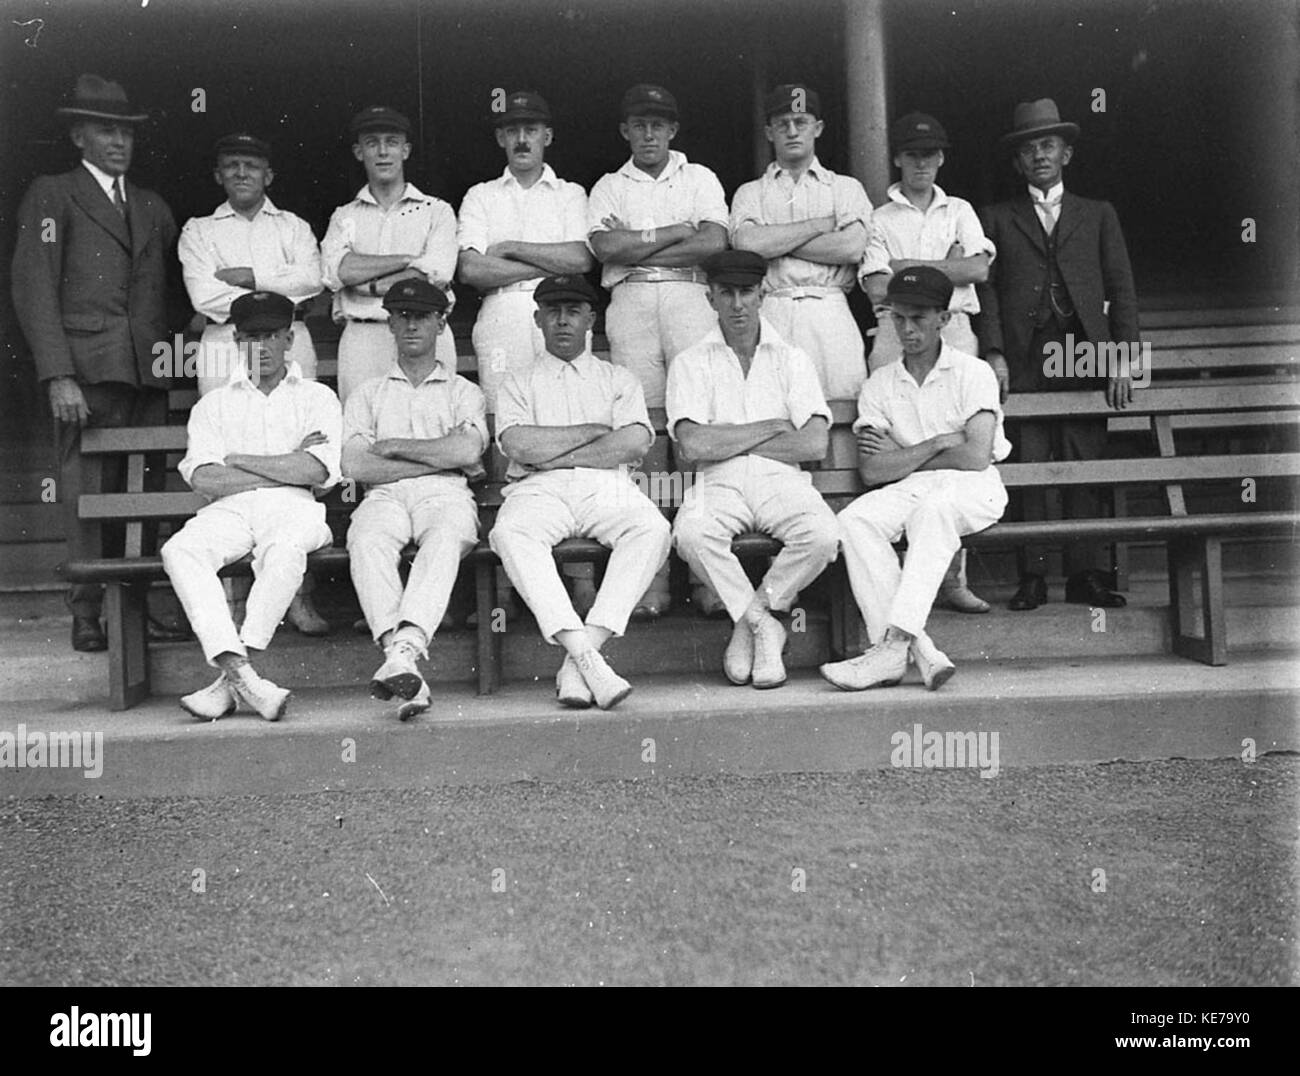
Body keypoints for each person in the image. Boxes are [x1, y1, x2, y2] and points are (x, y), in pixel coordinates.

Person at [11, 74, 181, 653]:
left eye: (126, 132)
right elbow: (34, 288)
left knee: (143, 495)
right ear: (79, 135)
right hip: (86, 375)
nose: (118, 142)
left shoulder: (154, 206)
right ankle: (87, 610)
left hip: (146, 374)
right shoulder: (53, 194)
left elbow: (174, 295)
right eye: (105, 130)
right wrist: (58, 374)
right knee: (87, 494)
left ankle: (132, 606)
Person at [977, 98, 1138, 611]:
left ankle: (1086, 575)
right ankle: (1033, 575)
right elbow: (989, 294)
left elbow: (1122, 287)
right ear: (1017, 162)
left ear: (1066, 153)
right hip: (1025, 355)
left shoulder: (1098, 214)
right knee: (1028, 464)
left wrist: (1122, 358)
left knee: (1083, 462)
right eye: (1029, 149)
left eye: (1048, 145)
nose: (1039, 155)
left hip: (1081, 352)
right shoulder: (997, 217)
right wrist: (996, 354)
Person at [820, 267, 1010, 692]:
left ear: (944, 318)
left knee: (933, 510)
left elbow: (976, 455)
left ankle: (891, 646)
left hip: (973, 487)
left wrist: (904, 455)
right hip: (910, 486)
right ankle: (915, 648)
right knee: (854, 521)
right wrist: (937, 444)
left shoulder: (973, 373)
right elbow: (873, 470)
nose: (907, 329)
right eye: (898, 318)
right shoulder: (880, 383)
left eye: (919, 318)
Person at [489, 274, 671, 710]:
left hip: (604, 486)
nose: (563, 322)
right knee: (511, 534)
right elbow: (518, 446)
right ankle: (586, 654)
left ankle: (582, 655)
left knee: (652, 528)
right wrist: (593, 433)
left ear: (592, 318)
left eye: (573, 312)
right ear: (537, 319)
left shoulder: (618, 378)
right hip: (538, 490)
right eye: (553, 312)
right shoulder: (517, 382)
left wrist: (551, 450)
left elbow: (633, 443)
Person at [161, 291, 342, 721]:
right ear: (237, 342)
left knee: (283, 552)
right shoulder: (214, 404)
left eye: (270, 336)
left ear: (289, 339)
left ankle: (232, 679)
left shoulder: (318, 397)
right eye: (249, 337)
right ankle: (241, 673)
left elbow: (316, 473)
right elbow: (205, 478)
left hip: (295, 507)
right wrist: (285, 462)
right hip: (230, 509)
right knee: (180, 549)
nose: (260, 347)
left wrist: (239, 459)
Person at [667, 250, 840, 690]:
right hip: (718, 480)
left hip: (782, 480)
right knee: (691, 534)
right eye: (727, 293)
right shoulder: (690, 361)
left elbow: (814, 443)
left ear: (762, 294)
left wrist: (727, 435)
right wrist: (769, 427)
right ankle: (766, 625)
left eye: (746, 292)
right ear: (711, 298)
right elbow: (693, 444)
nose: (737, 304)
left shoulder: (792, 358)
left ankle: (753, 620)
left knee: (822, 536)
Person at [178, 131, 328, 635]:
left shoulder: (293, 226)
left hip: (292, 338)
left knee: (296, 443)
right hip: (225, 344)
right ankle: (236, 601)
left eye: (252, 165)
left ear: (269, 175)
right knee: (228, 452)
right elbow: (204, 297)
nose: (242, 173)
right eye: (232, 165)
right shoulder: (200, 230)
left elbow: (312, 279)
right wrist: (271, 289)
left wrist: (245, 276)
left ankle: (298, 597)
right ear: (219, 175)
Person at [587, 83, 729, 617]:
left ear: (673, 129)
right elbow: (604, 247)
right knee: (645, 433)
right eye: (638, 124)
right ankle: (653, 578)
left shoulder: (700, 178)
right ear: (625, 130)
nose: (649, 133)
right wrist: (672, 231)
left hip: (692, 296)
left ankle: (705, 572)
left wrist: (639, 242)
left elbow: (713, 243)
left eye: (658, 123)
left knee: (693, 426)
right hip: (631, 300)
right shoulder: (607, 185)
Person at [456, 90, 594, 617]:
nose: (521, 138)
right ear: (500, 138)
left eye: (531, 129)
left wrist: (511, 248)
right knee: (508, 435)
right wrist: (545, 265)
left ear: (547, 136)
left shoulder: (571, 193)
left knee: (571, 422)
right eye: (512, 130)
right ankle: (508, 587)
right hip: (505, 316)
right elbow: (471, 270)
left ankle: (579, 575)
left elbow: (580, 261)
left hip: (559, 310)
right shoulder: (481, 196)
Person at [859, 110, 999, 614]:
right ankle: (898, 577)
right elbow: (877, 285)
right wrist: (945, 268)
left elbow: (978, 267)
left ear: (941, 158)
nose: (922, 164)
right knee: (895, 436)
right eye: (912, 154)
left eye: (931, 155)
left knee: (958, 455)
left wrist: (908, 271)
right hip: (894, 334)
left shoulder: (958, 208)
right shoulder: (880, 217)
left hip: (955, 329)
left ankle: (952, 579)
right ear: (897, 157)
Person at [342, 279, 487, 717]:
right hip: (384, 494)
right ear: (389, 322)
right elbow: (356, 467)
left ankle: (400, 652)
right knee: (366, 540)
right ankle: (402, 656)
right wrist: (437, 455)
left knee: (445, 537)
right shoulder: (367, 393)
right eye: (402, 316)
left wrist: (394, 446)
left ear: (441, 323)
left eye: (422, 316)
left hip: (445, 494)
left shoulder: (464, 391)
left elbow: (468, 451)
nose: (411, 325)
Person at [729, 83, 872, 402]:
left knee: (840, 407)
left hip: (830, 308)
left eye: (801, 122)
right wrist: (817, 227)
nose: (792, 131)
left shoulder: (845, 188)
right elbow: (747, 245)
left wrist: (776, 239)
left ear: (817, 128)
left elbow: (851, 247)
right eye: (783, 124)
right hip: (772, 308)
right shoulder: (751, 192)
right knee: (774, 409)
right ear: (769, 132)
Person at [321, 106, 458, 405]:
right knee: (362, 431)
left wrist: (366, 282)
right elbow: (336, 272)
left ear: (405, 150)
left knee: (431, 427)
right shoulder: (343, 215)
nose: (383, 151)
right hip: (363, 338)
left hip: (424, 332)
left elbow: (435, 275)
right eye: (372, 143)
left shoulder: (437, 210)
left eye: (392, 142)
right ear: (359, 152)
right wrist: (407, 260)